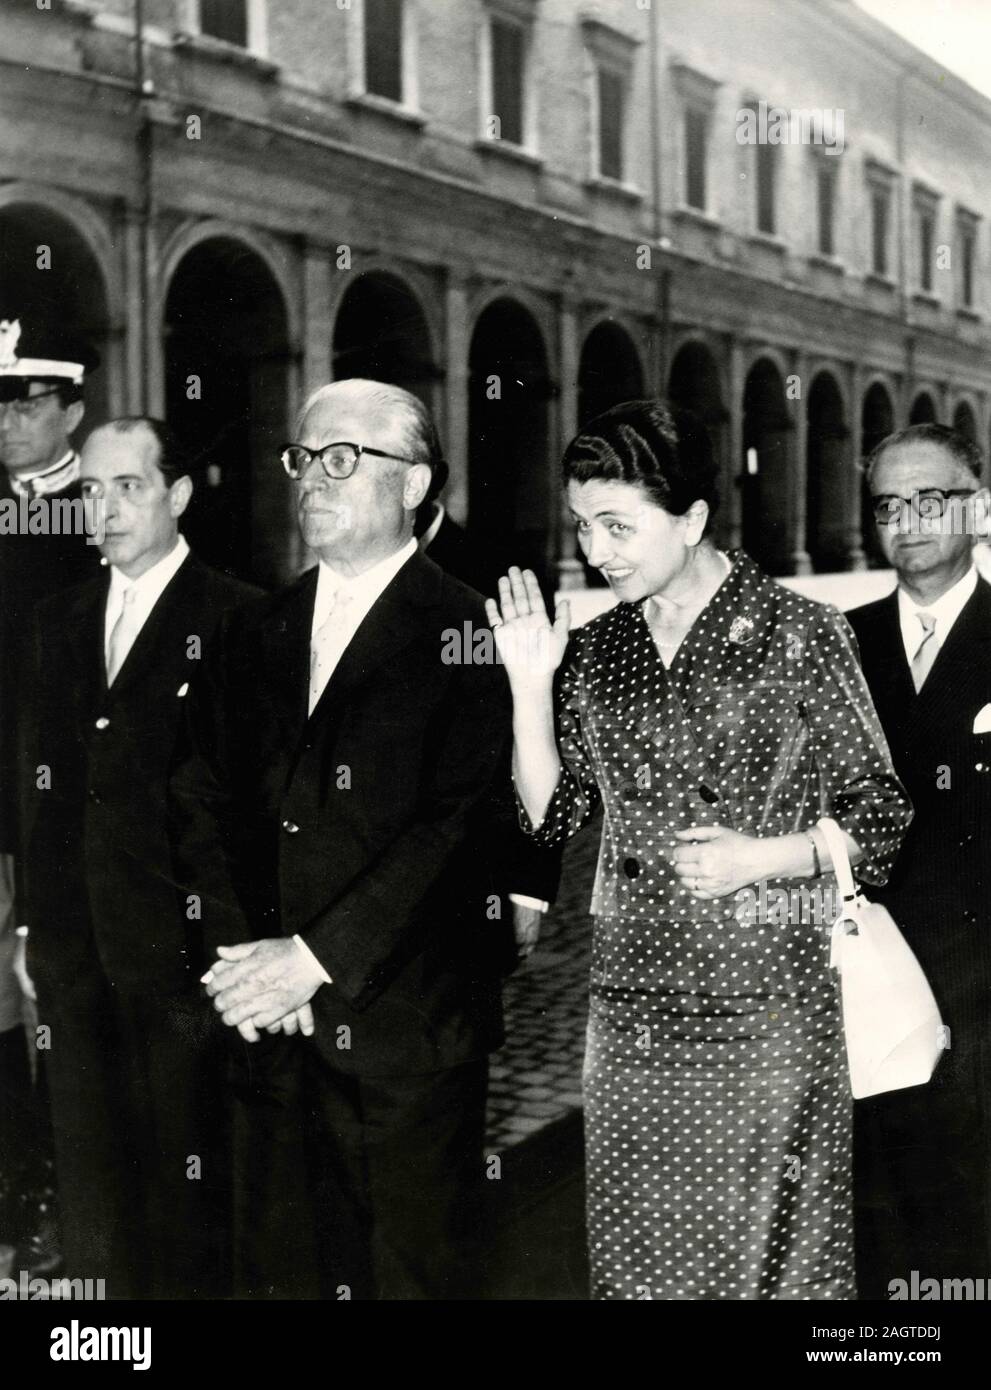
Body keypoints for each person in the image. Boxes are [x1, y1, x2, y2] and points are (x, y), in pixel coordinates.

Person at [486, 399, 912, 1300]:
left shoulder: (802, 631)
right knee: (644, 1267)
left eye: (616, 525)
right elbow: (550, 817)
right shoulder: (597, 648)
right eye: (581, 525)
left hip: (767, 1004)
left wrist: (766, 857)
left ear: (690, 520)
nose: (595, 550)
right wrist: (529, 685)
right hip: (631, 1008)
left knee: (773, 1262)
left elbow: (879, 814)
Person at [169, 378, 555, 1299]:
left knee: (408, 1276)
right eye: (304, 458)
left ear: (415, 483)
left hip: (403, 1033)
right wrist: (247, 966)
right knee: (280, 1266)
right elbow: (197, 799)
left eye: (343, 458)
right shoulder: (252, 630)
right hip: (268, 1022)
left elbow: (458, 824)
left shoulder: (473, 631)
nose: (313, 478)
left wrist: (314, 957)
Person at [20, 418, 259, 1297]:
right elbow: (35, 786)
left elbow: (251, 810)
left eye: (129, 486)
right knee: (90, 1182)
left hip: (186, 966)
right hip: (74, 957)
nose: (107, 508)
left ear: (178, 494)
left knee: (189, 1184)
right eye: (91, 490)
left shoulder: (239, 616)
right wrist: (27, 925)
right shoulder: (59, 620)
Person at [846, 423, 991, 1296]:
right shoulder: (835, 643)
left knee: (966, 1221)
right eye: (888, 505)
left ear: (977, 507)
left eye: (930, 500)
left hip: (981, 992)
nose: (907, 521)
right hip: (867, 982)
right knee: (872, 1211)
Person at [0, 316, 100, 1271]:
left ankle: (77, 1198)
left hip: (68, 813)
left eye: (26, 405)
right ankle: (21, 1184)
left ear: (73, 408)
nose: (7, 423)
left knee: (63, 1009)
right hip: (1, 814)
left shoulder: (102, 517)